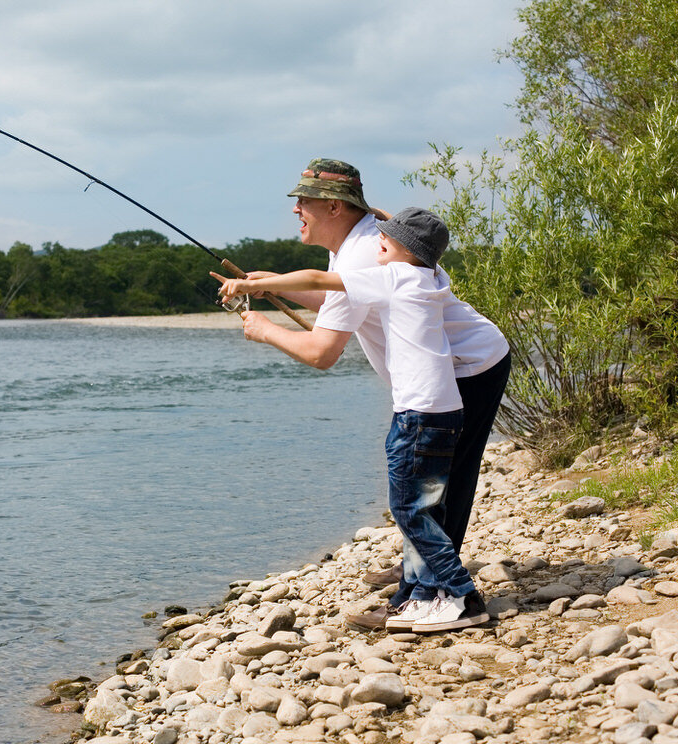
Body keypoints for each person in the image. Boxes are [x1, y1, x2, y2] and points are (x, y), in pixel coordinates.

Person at [214, 158, 511, 630]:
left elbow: (322, 350)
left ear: (333, 206)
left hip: (470, 368)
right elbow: (343, 298)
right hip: (439, 381)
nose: (295, 210)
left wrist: (265, 329)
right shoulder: (366, 243)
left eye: (302, 201)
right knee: (425, 490)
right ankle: (420, 577)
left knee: (439, 485)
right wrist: (271, 287)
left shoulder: (368, 253)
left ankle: (433, 590)